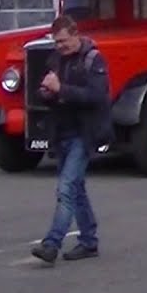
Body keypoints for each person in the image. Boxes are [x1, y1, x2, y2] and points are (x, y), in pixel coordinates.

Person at [31, 15, 113, 264]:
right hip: (62, 132)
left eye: (64, 41)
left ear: (76, 34)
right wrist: (45, 93)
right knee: (76, 189)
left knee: (65, 189)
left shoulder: (93, 59)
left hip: (83, 133)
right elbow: (49, 91)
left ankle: (51, 244)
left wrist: (61, 90)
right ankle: (88, 241)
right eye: (56, 42)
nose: (61, 46)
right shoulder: (56, 59)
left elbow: (97, 96)